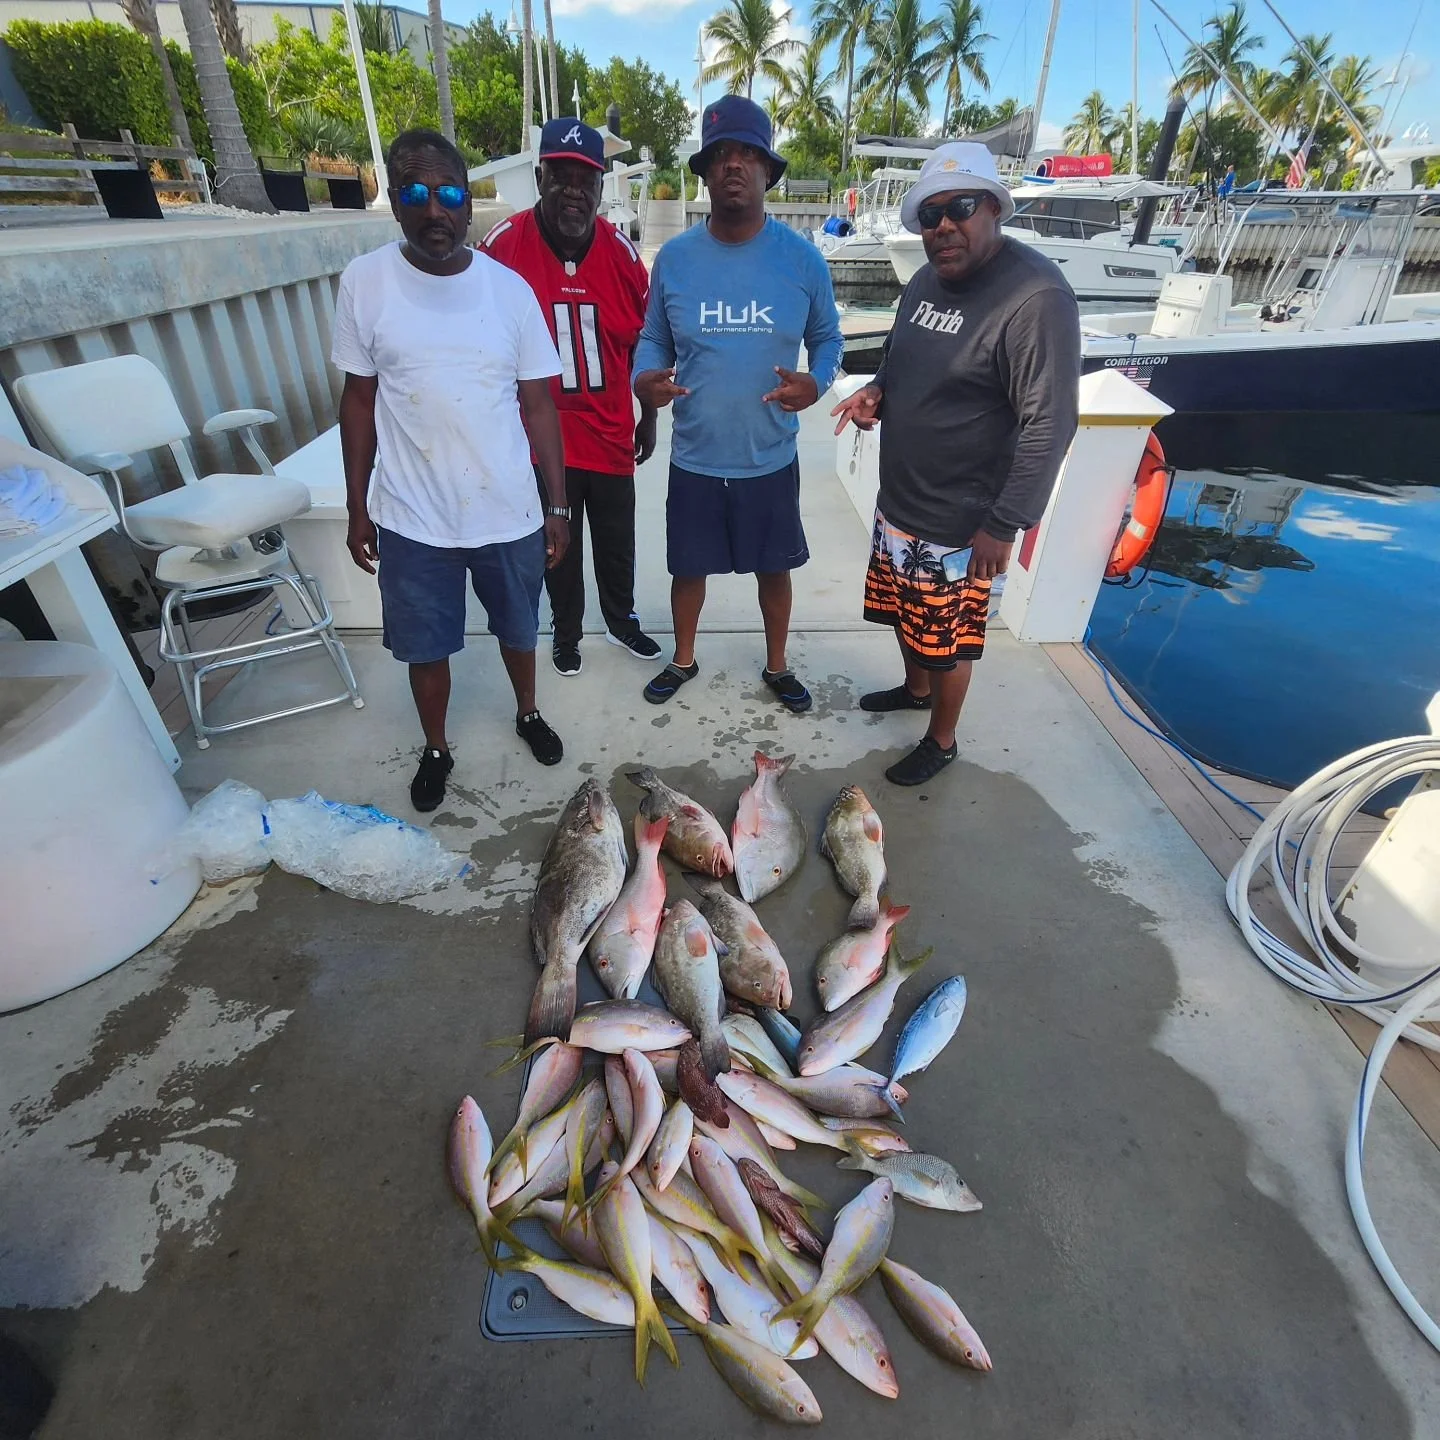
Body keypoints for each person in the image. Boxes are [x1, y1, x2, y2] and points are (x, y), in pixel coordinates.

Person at [333, 128, 570, 813]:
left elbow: (539, 406)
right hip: (411, 516)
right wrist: (356, 507)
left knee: (520, 631)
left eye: (447, 194)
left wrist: (557, 506)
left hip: (508, 510)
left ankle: (527, 713)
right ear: (393, 201)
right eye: (414, 193)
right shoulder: (364, 283)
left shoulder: (511, 292)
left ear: (469, 205)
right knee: (424, 648)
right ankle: (436, 747)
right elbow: (358, 398)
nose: (433, 210)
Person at [832, 142, 1080, 786]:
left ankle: (940, 739)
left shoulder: (1035, 298)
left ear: (994, 206)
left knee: (948, 642)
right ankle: (913, 694)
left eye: (959, 208)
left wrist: (1006, 523)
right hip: (903, 502)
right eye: (929, 214)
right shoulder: (924, 279)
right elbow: (899, 357)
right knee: (904, 614)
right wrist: (875, 391)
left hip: (962, 522)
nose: (942, 226)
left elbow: (1050, 421)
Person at [631, 95, 844, 714]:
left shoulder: (802, 258)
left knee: (773, 571)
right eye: (721, 154)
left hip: (769, 453)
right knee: (687, 570)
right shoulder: (675, 258)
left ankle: (777, 666)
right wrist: (645, 376)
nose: (733, 166)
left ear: (767, 172)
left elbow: (828, 337)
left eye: (747, 155)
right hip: (696, 451)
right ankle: (683, 659)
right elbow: (653, 337)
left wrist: (818, 381)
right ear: (705, 171)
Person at [483, 116, 662, 678]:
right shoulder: (503, 249)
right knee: (556, 545)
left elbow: (645, 347)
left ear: (600, 190)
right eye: (561, 178)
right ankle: (566, 632)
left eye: (586, 182)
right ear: (541, 178)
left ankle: (621, 619)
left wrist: (648, 415)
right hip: (540, 440)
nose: (573, 193)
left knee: (616, 539)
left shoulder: (623, 257)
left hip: (608, 429)